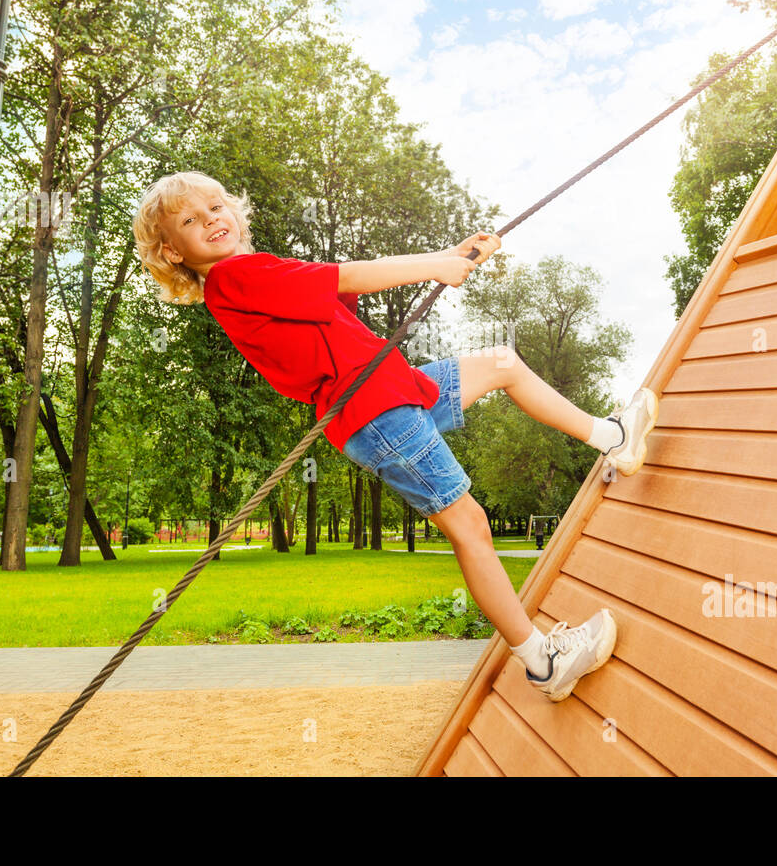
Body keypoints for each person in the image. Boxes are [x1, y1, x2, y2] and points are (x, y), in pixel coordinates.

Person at [131, 171, 659, 702]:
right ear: (173, 253)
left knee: (503, 364)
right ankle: (542, 660)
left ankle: (613, 437)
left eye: (216, 206)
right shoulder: (236, 278)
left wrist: (449, 255)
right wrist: (437, 265)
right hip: (377, 414)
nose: (212, 220)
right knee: (470, 526)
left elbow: (336, 305)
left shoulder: (255, 277)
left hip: (397, 389)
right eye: (190, 221)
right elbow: (350, 276)